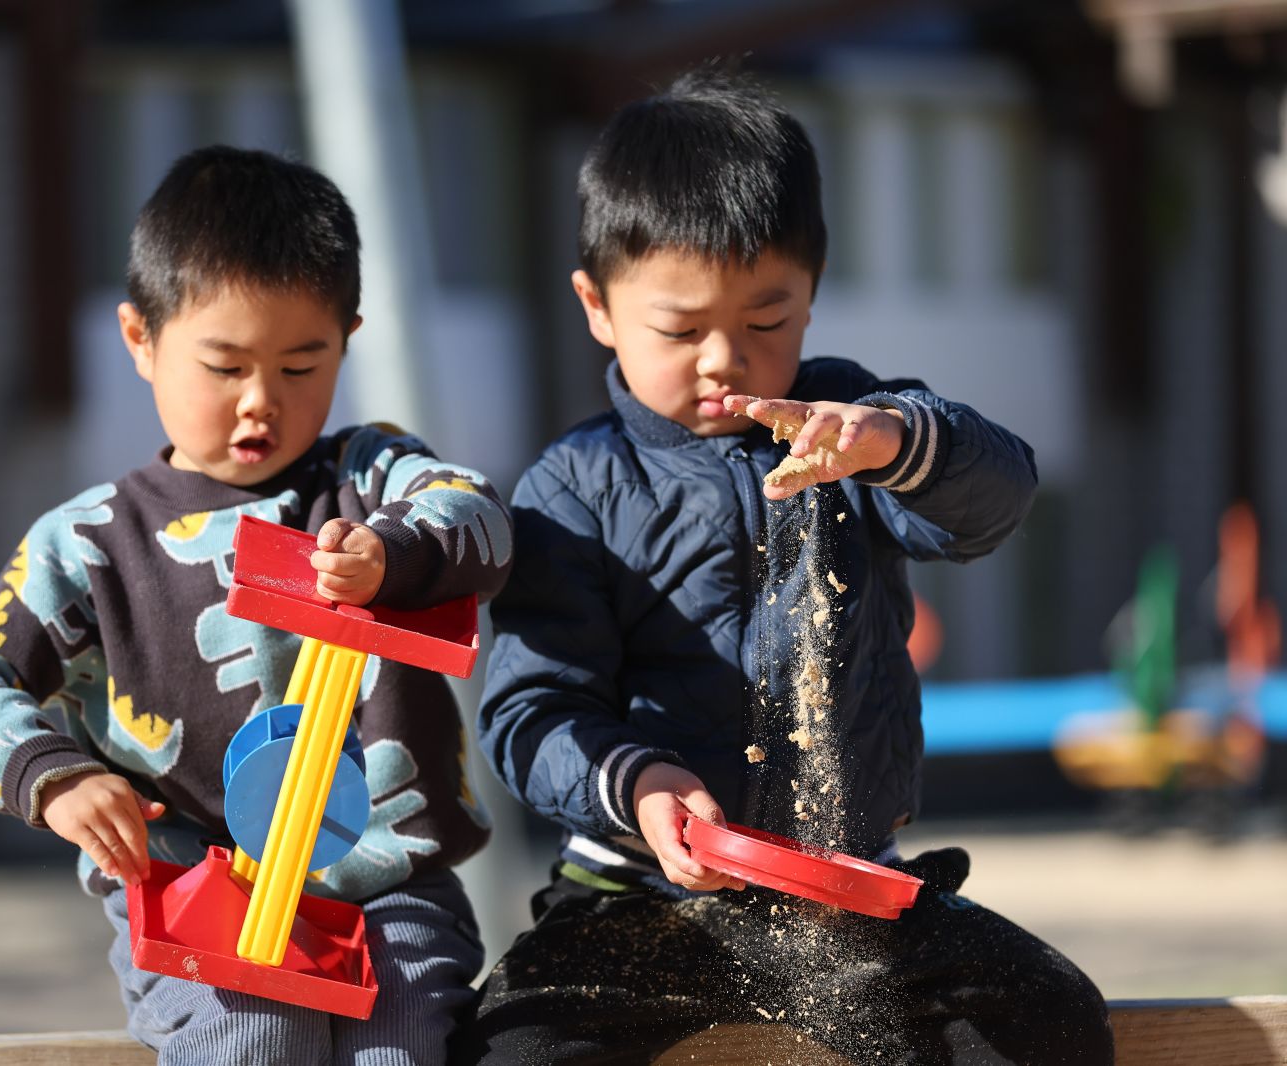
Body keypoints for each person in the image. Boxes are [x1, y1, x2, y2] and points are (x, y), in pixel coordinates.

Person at [454, 60, 1114, 1065]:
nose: (724, 359)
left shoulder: (854, 424)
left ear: (810, 294)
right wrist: (638, 783)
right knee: (516, 1046)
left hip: (848, 884)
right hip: (636, 896)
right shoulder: (572, 490)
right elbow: (528, 709)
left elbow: (995, 497)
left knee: (1046, 1012)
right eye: (679, 329)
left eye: (765, 320)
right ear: (598, 306)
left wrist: (892, 442)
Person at [0, 145, 512, 1066]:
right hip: (195, 886)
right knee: (251, 1037)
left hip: (392, 889)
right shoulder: (91, 544)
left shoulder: (370, 477)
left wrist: (393, 554)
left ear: (349, 339)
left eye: (303, 366)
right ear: (140, 340)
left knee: (401, 1047)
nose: (261, 402)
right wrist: (53, 776)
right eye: (224, 366)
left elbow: (476, 515)